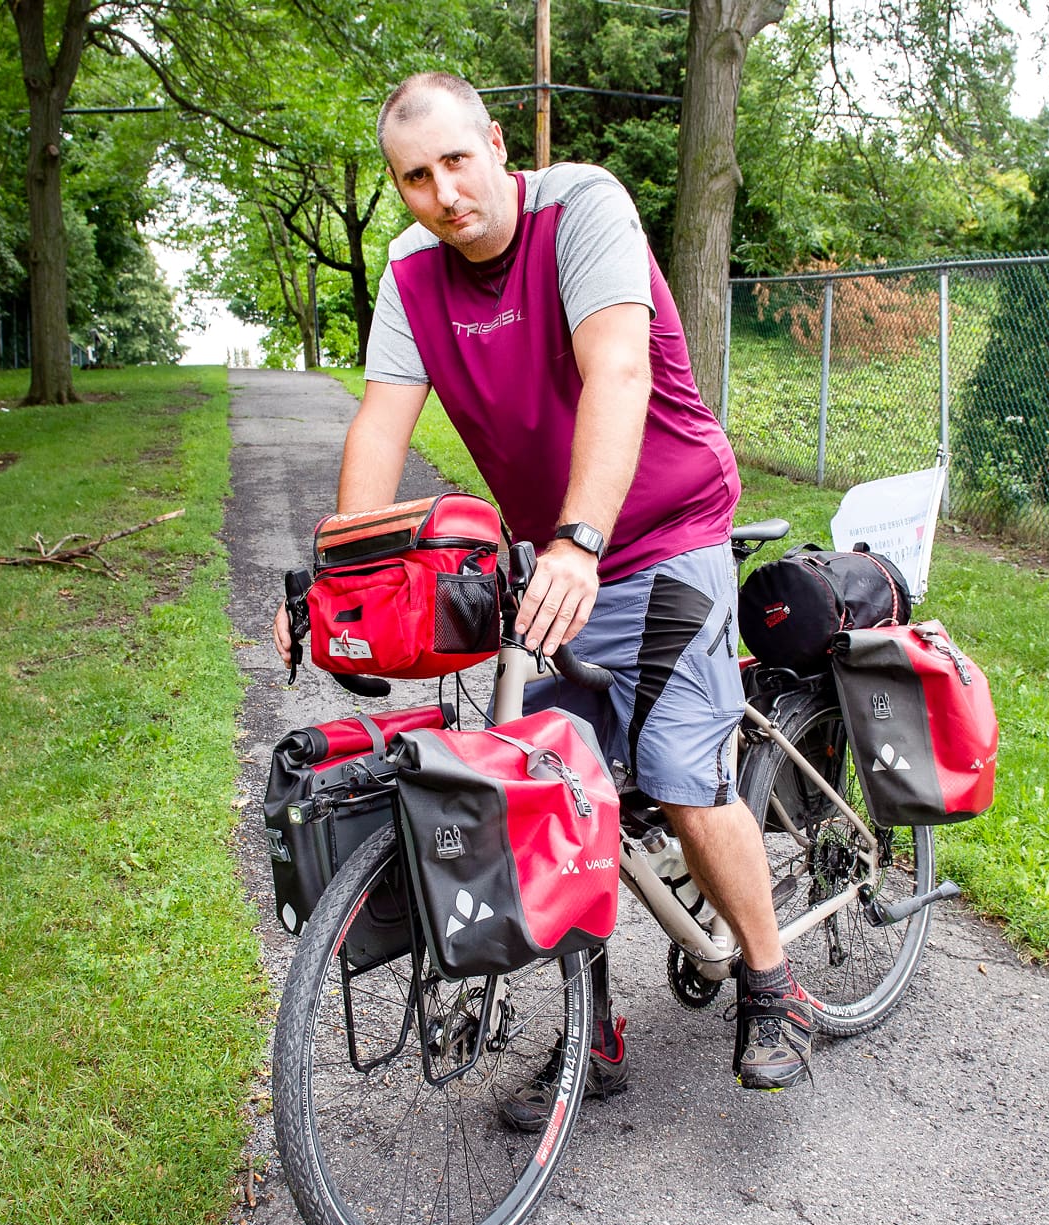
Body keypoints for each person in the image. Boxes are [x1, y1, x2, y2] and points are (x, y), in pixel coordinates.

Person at [271, 71, 816, 1105]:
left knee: (672, 769)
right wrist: (345, 579)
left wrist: (575, 541)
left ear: (495, 144)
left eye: (456, 161)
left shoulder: (581, 208)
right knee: (554, 788)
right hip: (553, 550)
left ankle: (767, 983)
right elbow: (380, 425)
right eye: (414, 178)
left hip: (662, 530)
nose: (443, 193)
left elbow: (616, 374)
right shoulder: (411, 276)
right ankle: (590, 1038)